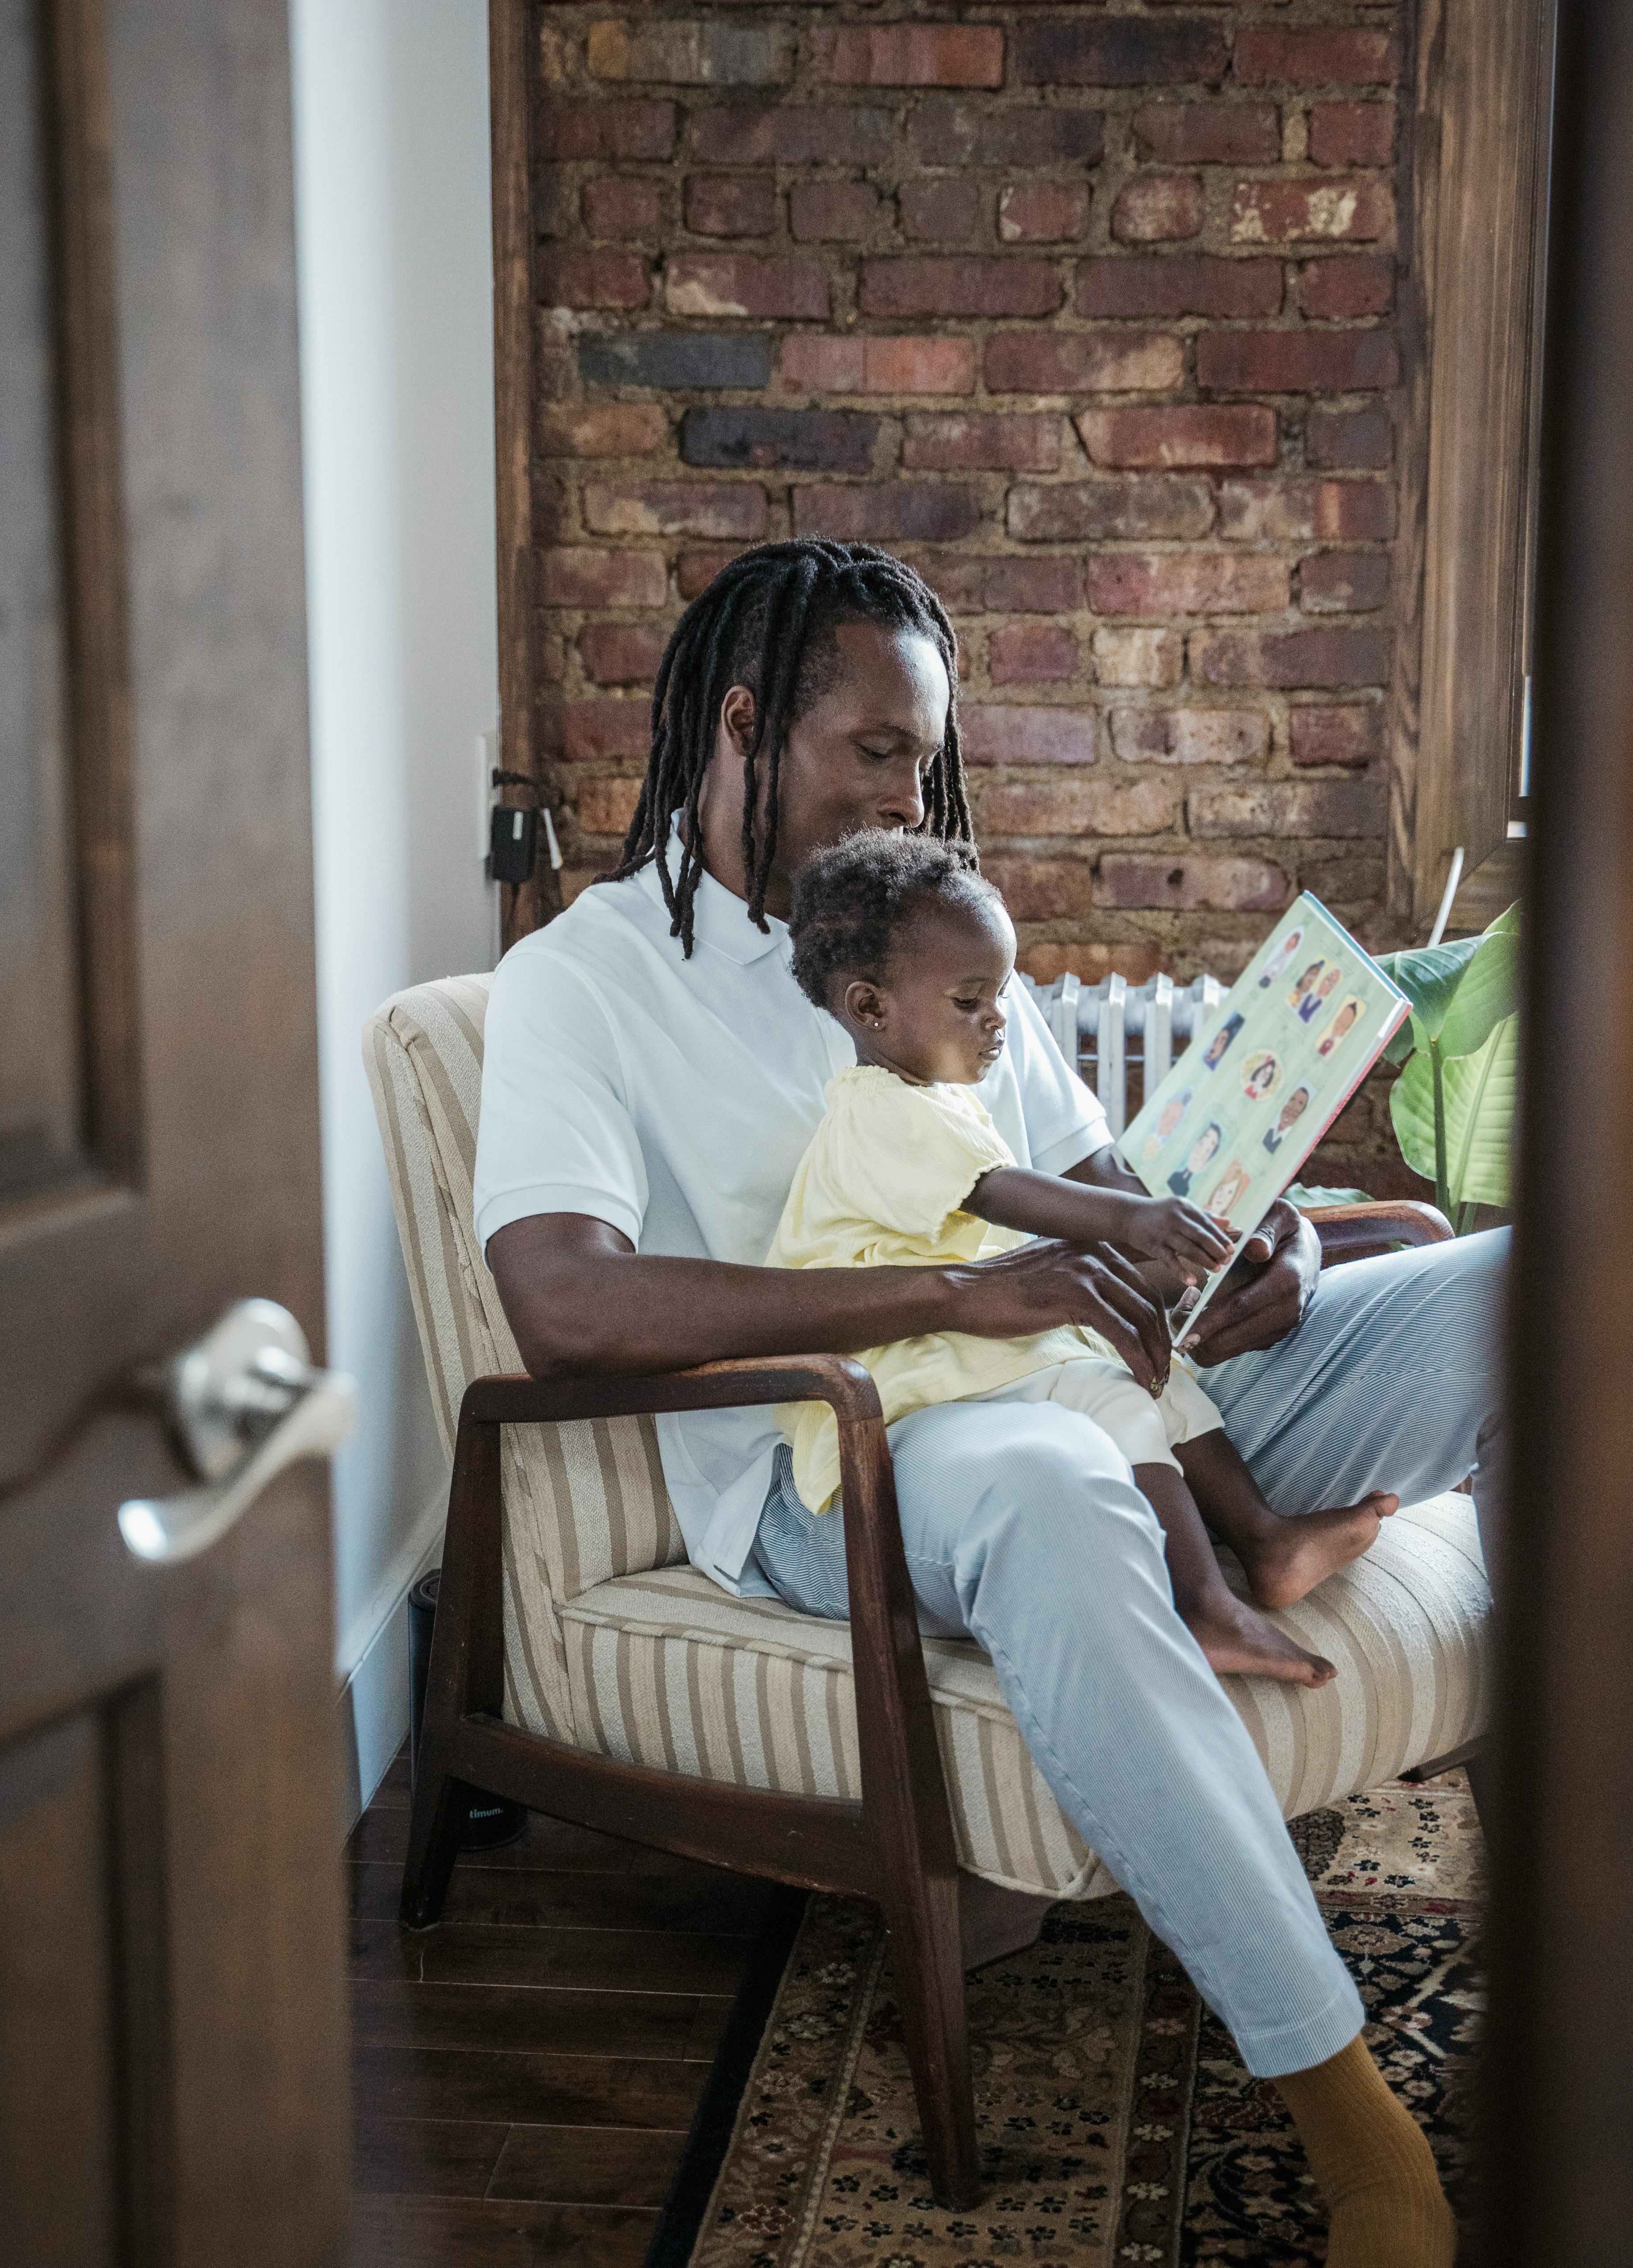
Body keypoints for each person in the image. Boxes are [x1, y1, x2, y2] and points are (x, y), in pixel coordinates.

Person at [476, 539, 1496, 2268]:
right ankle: (1350, 2121)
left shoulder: (916, 915)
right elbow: (562, 1298)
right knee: (1047, 1477)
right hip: (841, 1456)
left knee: (1534, 1282)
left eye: (928, 751)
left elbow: (1101, 1179)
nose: (920, 787)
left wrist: (1269, 1251)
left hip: (1073, 1373)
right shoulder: (586, 980)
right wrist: (959, 1294)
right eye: (881, 748)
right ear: (740, 725)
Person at [770, 829, 1397, 1686]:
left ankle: (1263, 1536)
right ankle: (1204, 1607)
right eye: (969, 1000)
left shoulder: (934, 1096)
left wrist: (1165, 1255)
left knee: (1146, 1364)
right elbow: (1006, 1194)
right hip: (899, 1366)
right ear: (869, 1007)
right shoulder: (881, 1108)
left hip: (955, 1342)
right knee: (1112, 1393)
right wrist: (1139, 1222)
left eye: (1001, 992)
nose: (998, 1018)